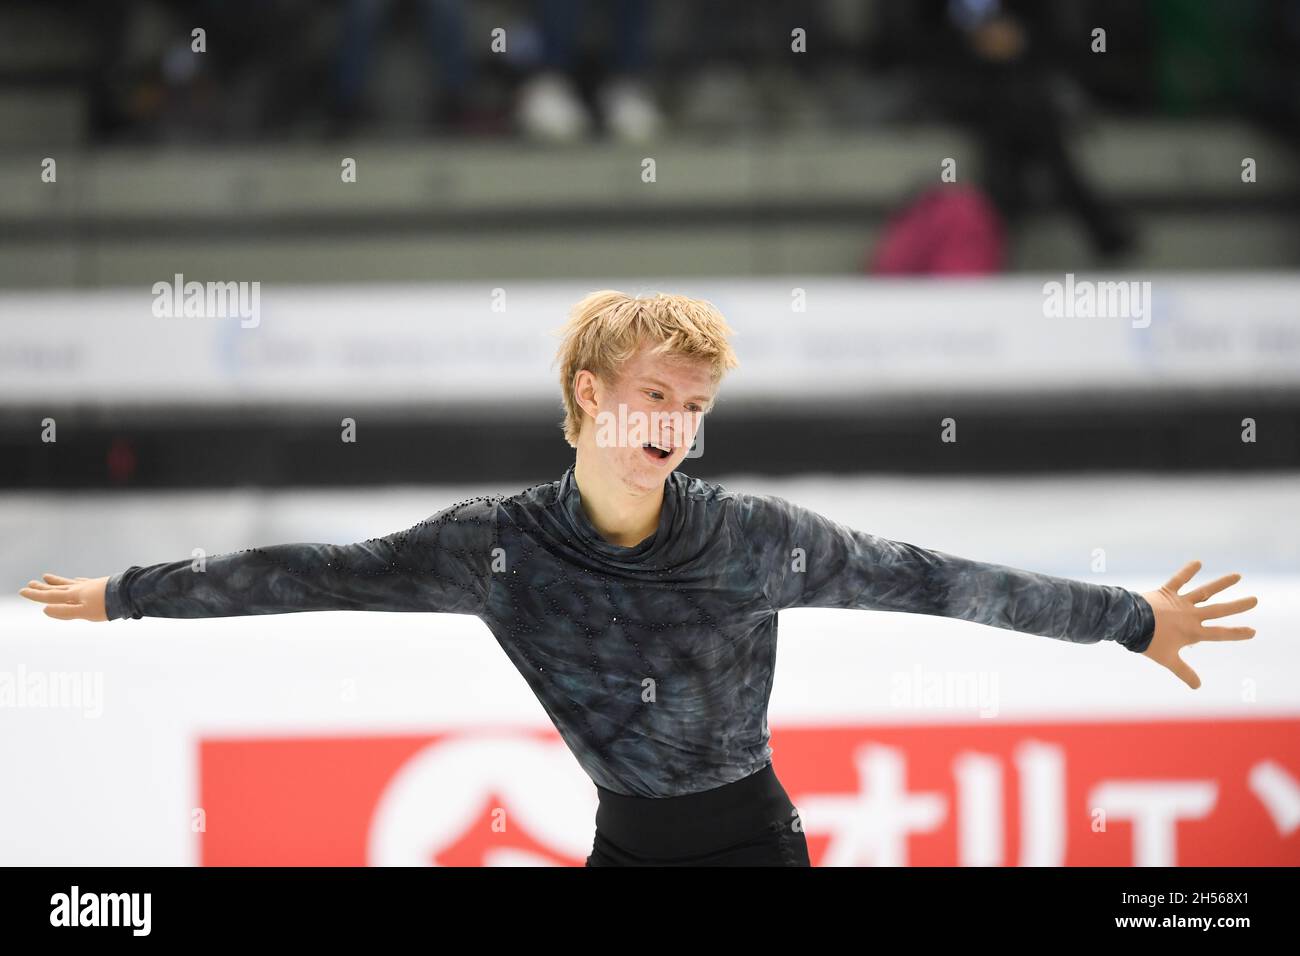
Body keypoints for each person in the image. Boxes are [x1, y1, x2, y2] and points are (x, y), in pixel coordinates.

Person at [18, 290, 1258, 867]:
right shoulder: (488, 546)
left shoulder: (753, 537)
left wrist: (1130, 616)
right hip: (625, 842)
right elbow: (307, 573)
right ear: (587, 400)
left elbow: (936, 582)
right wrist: (131, 591)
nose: (675, 423)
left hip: (753, 845)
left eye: (696, 405)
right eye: (654, 396)